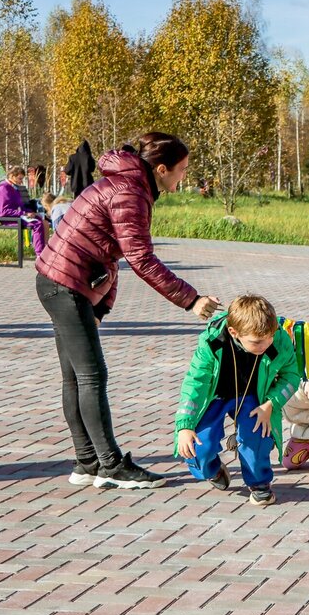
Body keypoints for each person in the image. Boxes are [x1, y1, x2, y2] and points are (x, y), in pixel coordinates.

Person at [36, 132, 221, 489]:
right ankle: (110, 465)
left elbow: (110, 254)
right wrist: (191, 299)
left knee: (76, 377)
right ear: (162, 169)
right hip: (65, 285)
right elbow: (140, 259)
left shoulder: (127, 184)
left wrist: (101, 307)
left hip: (60, 282)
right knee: (92, 376)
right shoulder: (130, 192)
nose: (184, 175)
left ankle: (87, 462)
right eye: (182, 169)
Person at [175, 295, 299, 506]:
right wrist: (184, 426)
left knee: (257, 435)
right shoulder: (211, 342)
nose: (266, 345)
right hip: (215, 396)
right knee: (198, 446)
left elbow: (291, 376)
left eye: (270, 337)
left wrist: (271, 404)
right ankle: (212, 470)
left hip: (254, 396)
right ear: (234, 333)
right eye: (257, 342)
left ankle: (259, 483)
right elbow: (195, 383)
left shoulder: (279, 338)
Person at [0, 165, 48, 256]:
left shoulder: (14, 188)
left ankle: (45, 250)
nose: (21, 181)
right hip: (6, 218)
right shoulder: (3, 188)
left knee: (40, 219)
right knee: (37, 224)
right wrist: (24, 213)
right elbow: (4, 211)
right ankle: (40, 254)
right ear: (12, 176)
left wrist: (31, 212)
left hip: (15, 215)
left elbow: (20, 206)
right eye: (19, 178)